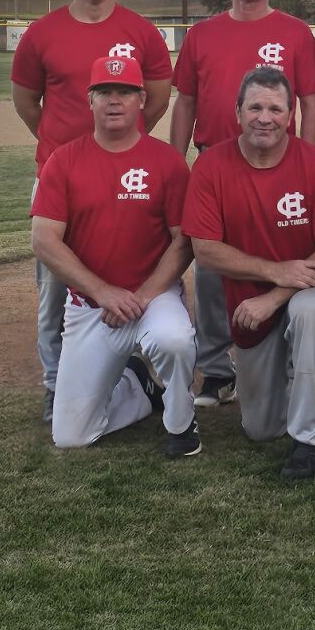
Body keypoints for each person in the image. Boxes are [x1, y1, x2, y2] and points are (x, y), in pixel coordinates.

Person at [11, 0, 173, 424]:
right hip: (62, 179)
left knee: (131, 275)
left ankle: (124, 371)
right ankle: (55, 384)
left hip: (128, 179)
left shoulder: (142, 32)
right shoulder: (42, 33)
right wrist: (67, 151)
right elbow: (26, 103)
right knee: (54, 293)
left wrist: (121, 149)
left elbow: (157, 97)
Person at [171, 0, 315, 412]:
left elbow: (311, 103)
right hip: (216, 163)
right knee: (213, 267)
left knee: (291, 256)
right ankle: (218, 370)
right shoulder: (203, 33)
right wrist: (177, 165)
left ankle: (301, 364)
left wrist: (307, 162)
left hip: (281, 165)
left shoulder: (296, 32)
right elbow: (186, 103)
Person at [182, 65, 315, 480]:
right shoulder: (211, 167)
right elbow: (205, 250)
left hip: (308, 289)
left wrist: (275, 293)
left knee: (308, 312)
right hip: (248, 305)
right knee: (261, 430)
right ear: (237, 112)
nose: (265, 117)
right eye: (255, 107)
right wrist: (276, 272)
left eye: (276, 109)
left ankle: (311, 440)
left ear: (291, 116)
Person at [30, 56, 198, 456]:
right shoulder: (65, 160)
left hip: (153, 299)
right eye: (104, 91)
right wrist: (104, 292)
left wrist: (140, 297)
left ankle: (181, 425)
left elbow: (183, 242)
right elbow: (44, 240)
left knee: (174, 340)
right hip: (91, 306)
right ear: (90, 100)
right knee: (71, 436)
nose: (114, 100)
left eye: (124, 92)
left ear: (142, 99)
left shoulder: (167, 162)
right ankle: (138, 385)